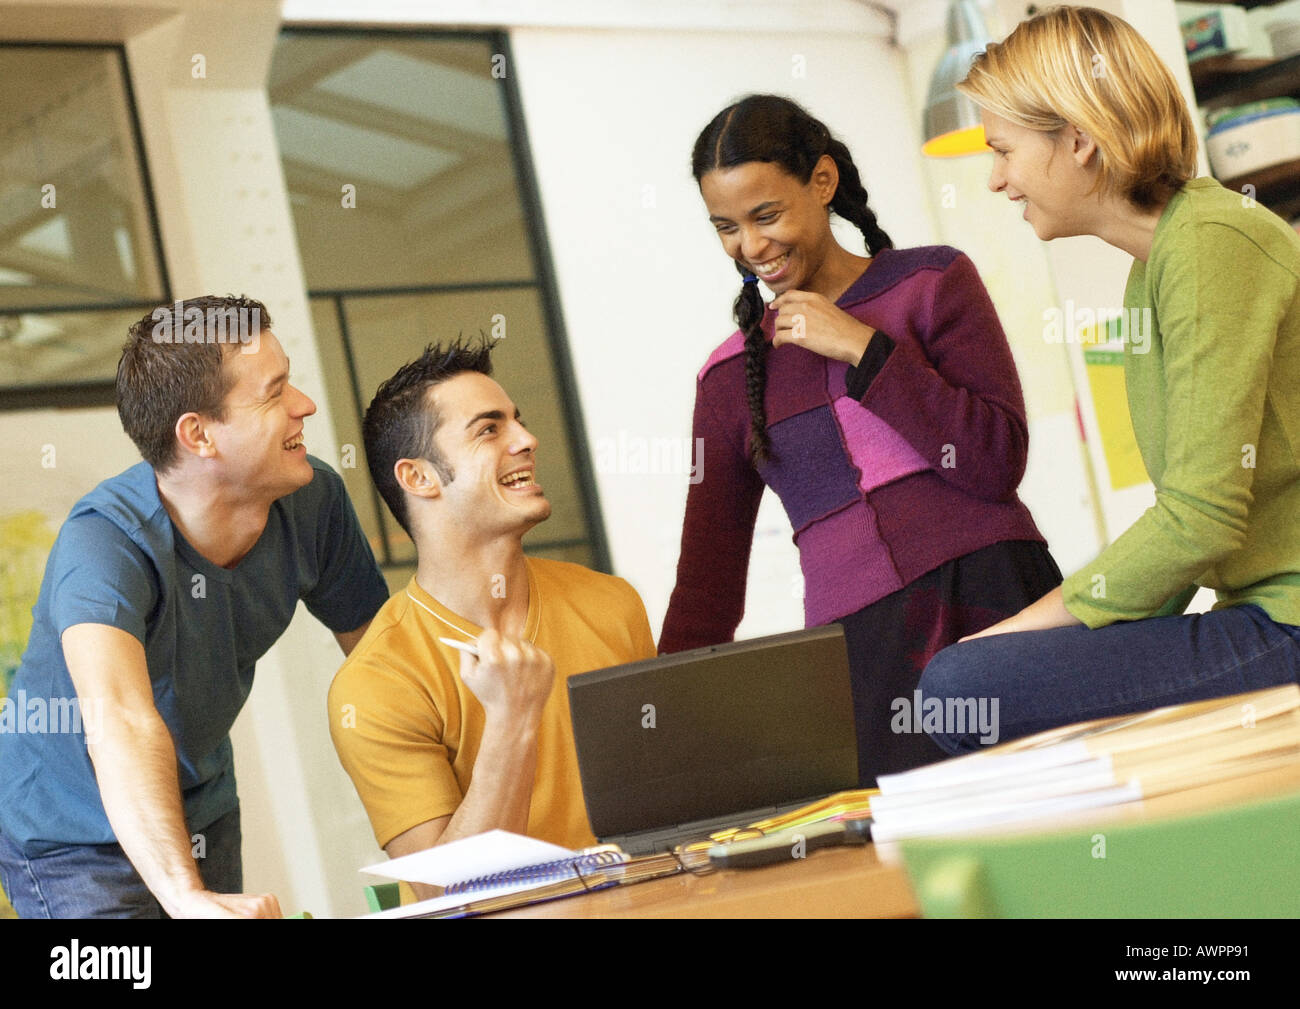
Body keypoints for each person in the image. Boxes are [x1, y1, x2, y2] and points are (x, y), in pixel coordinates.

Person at [918, 6, 1300, 752]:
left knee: (958, 690)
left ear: (1080, 141)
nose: (996, 179)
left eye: (1004, 149)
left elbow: (1199, 520)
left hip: (1286, 622)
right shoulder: (1157, 266)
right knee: (967, 682)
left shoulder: (1214, 242)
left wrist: (1015, 637)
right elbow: (1196, 526)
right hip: (1259, 613)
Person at [659, 94, 1061, 784]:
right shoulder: (727, 378)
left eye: (766, 215)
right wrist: (654, 730)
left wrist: (868, 352)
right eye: (725, 226)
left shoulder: (932, 284)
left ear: (821, 182)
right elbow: (708, 585)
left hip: (1000, 600)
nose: (750, 247)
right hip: (865, 656)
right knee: (930, 877)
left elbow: (994, 462)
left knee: (1072, 818)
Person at [0, 295, 389, 918]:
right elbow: (121, 720)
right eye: (275, 391)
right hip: (68, 833)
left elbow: (384, 666)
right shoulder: (105, 542)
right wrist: (184, 897)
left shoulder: (313, 501)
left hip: (195, 799)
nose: (306, 405)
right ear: (199, 433)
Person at [328, 340, 655, 900]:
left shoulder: (611, 604)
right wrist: (511, 719)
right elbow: (450, 896)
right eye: (489, 430)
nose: (526, 441)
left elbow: (666, 806)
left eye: (518, 423)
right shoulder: (375, 684)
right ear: (419, 477)